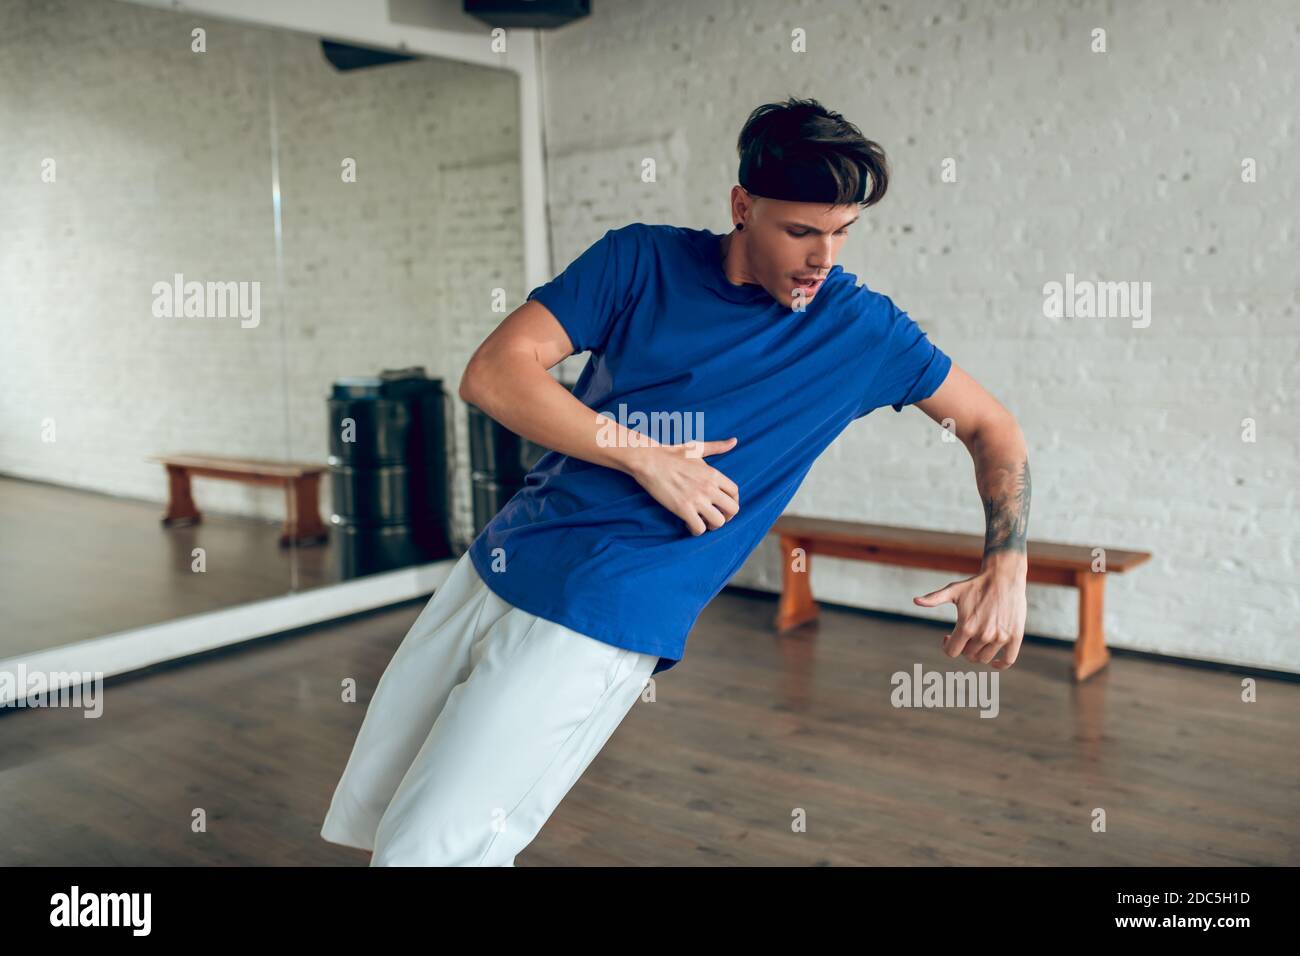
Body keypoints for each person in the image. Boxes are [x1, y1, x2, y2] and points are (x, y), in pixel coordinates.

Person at [320, 96, 1030, 866]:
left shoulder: (862, 332)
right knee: (381, 810)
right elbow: (494, 373)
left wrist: (1008, 564)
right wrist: (645, 456)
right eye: (800, 231)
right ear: (742, 207)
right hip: (498, 565)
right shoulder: (640, 260)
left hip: (604, 612)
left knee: (433, 851)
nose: (823, 258)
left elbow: (994, 428)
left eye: (840, 233)